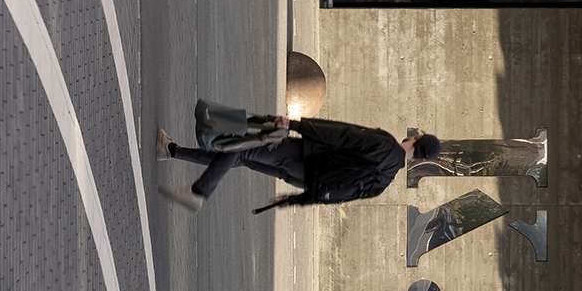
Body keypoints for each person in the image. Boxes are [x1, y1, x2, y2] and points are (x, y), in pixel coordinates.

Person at [160, 104, 441, 208]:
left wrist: (295, 124)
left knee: (244, 146)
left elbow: (340, 134)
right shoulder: (385, 180)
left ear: (415, 140)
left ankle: (200, 191)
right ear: (418, 158)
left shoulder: (385, 143)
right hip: (303, 180)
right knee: (242, 157)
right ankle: (172, 150)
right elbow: (343, 194)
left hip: (303, 156)